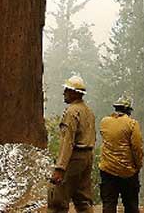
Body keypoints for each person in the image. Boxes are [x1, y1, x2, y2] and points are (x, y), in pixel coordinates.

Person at [49, 75, 96, 212]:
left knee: (57, 199)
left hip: (74, 158)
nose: (64, 93)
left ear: (75, 93)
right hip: (87, 158)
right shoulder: (88, 111)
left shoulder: (71, 112)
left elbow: (67, 141)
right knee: (83, 200)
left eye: (67, 90)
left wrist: (60, 168)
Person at [98, 96, 143, 213]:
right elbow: (137, 148)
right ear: (128, 110)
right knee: (131, 204)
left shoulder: (104, 122)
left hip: (107, 170)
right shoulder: (132, 124)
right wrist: (138, 166)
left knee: (109, 203)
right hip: (128, 172)